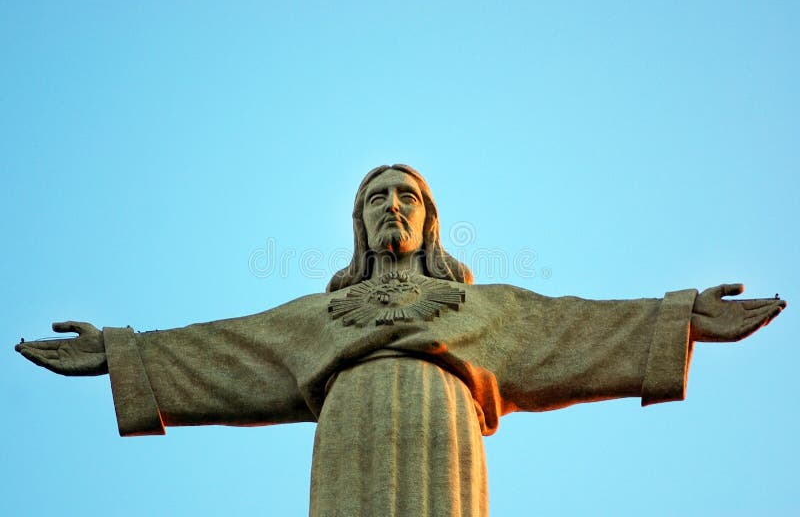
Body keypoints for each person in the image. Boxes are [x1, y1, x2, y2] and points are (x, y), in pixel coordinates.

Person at [16, 165, 786, 516]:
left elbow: (574, 327)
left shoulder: (481, 306)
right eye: (376, 199)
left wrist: (679, 319)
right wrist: (121, 353)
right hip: (348, 435)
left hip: (444, 439)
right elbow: (227, 350)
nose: (392, 206)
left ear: (428, 219)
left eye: (406, 196)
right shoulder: (313, 320)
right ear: (360, 224)